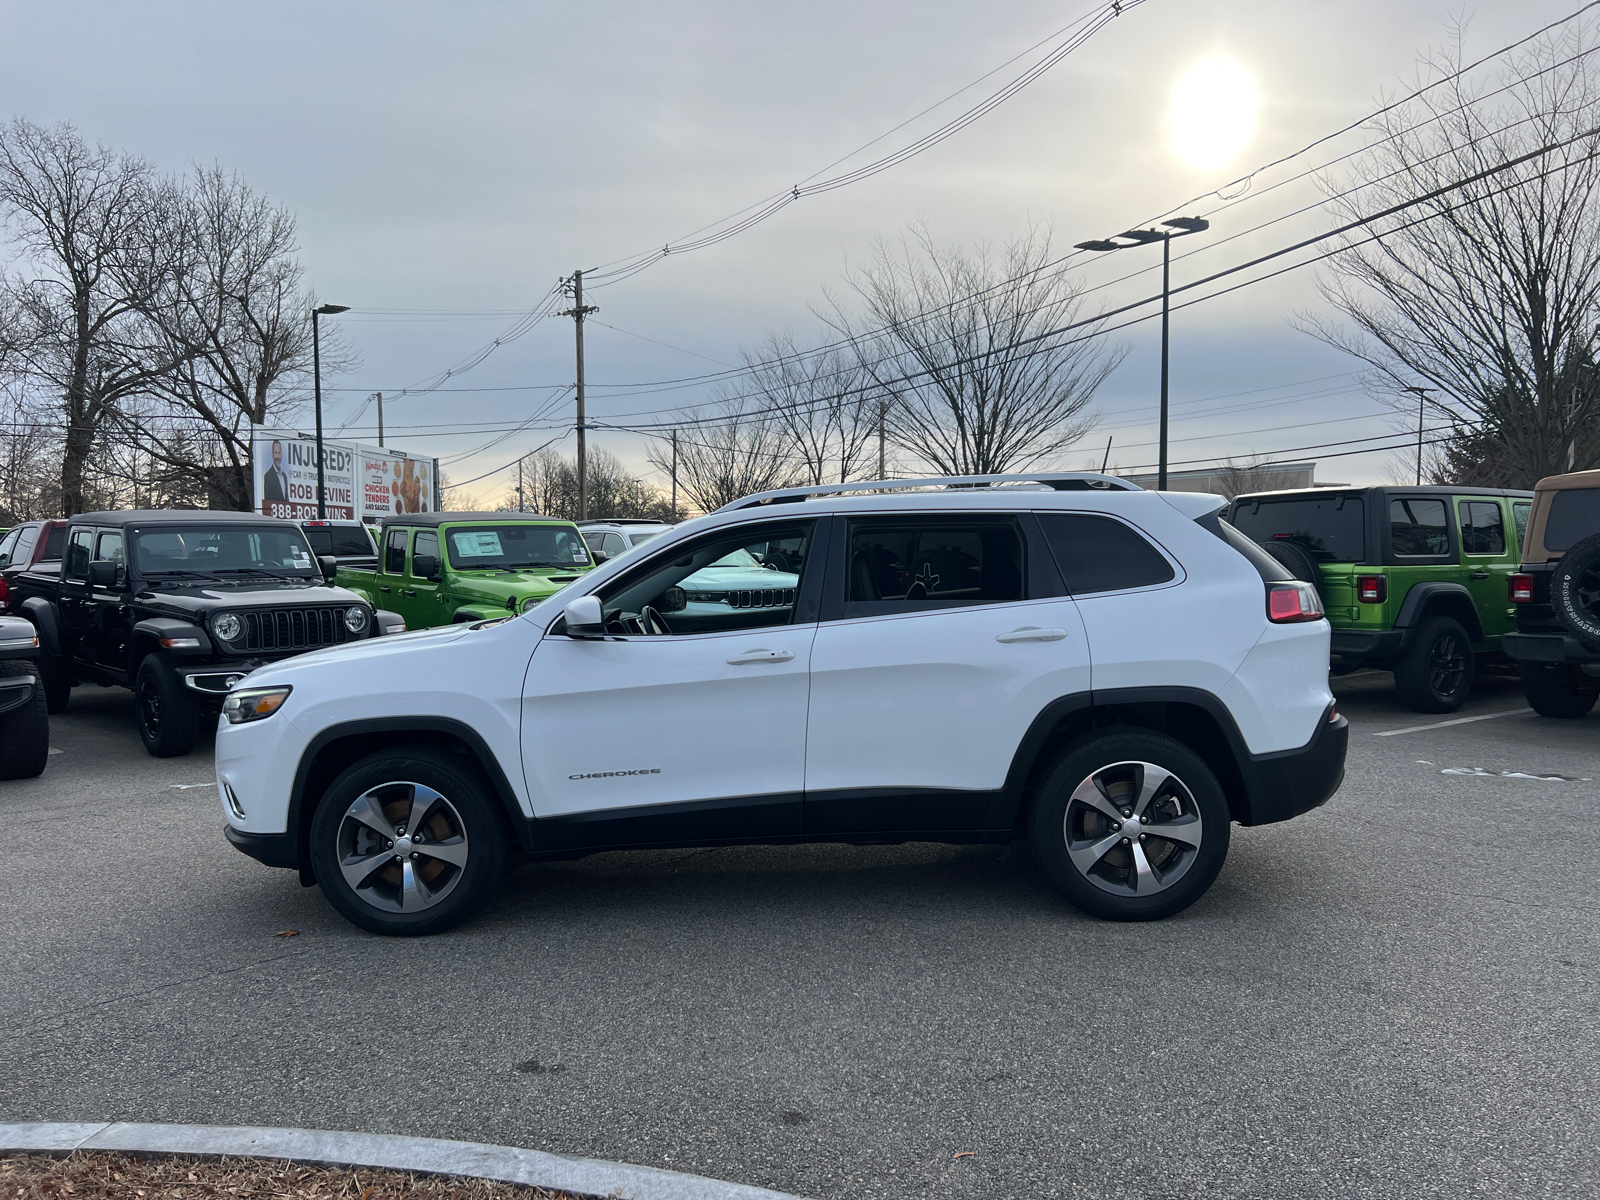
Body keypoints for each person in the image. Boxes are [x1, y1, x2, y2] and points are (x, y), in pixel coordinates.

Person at [262, 441, 289, 507]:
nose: (277, 456)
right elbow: (268, 501)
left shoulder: (284, 476)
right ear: (272, 454)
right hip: (273, 515)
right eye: (275, 453)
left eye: (279, 453)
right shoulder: (268, 476)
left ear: (281, 454)